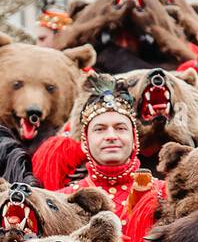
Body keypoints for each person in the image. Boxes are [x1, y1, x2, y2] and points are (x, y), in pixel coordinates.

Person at [64, 74, 161, 229]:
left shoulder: (164, 194)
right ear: (84, 143)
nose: (110, 136)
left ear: (135, 140)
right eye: (100, 129)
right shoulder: (64, 200)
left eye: (120, 128)